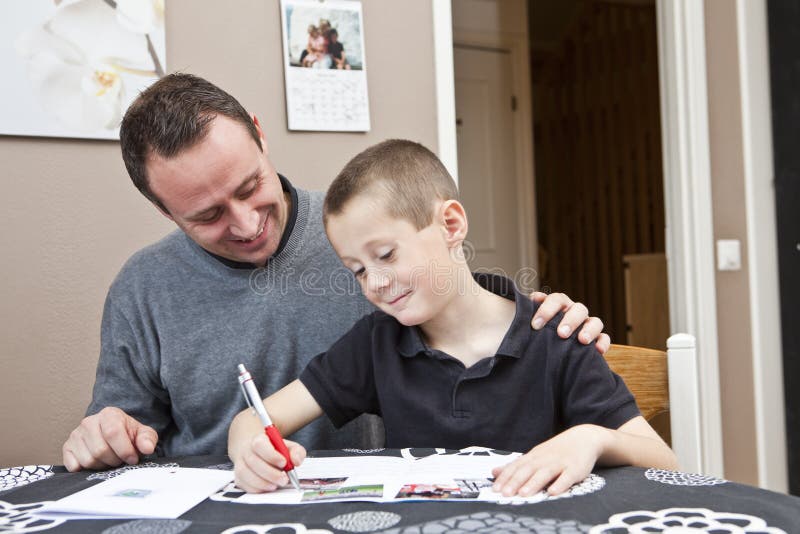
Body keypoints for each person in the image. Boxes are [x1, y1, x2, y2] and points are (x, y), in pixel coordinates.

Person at [61, 73, 609, 472]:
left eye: (250, 186)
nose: (247, 223)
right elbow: (124, 429)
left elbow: (462, 305)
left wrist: (548, 318)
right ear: (165, 211)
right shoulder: (142, 288)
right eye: (207, 216)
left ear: (259, 135)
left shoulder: (360, 235)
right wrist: (106, 435)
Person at [228, 139, 677, 496]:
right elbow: (252, 420)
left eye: (386, 255)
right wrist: (250, 450)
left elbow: (665, 461)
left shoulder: (555, 335)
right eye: (358, 270)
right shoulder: (376, 344)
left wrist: (592, 438)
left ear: (451, 225)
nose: (375, 283)